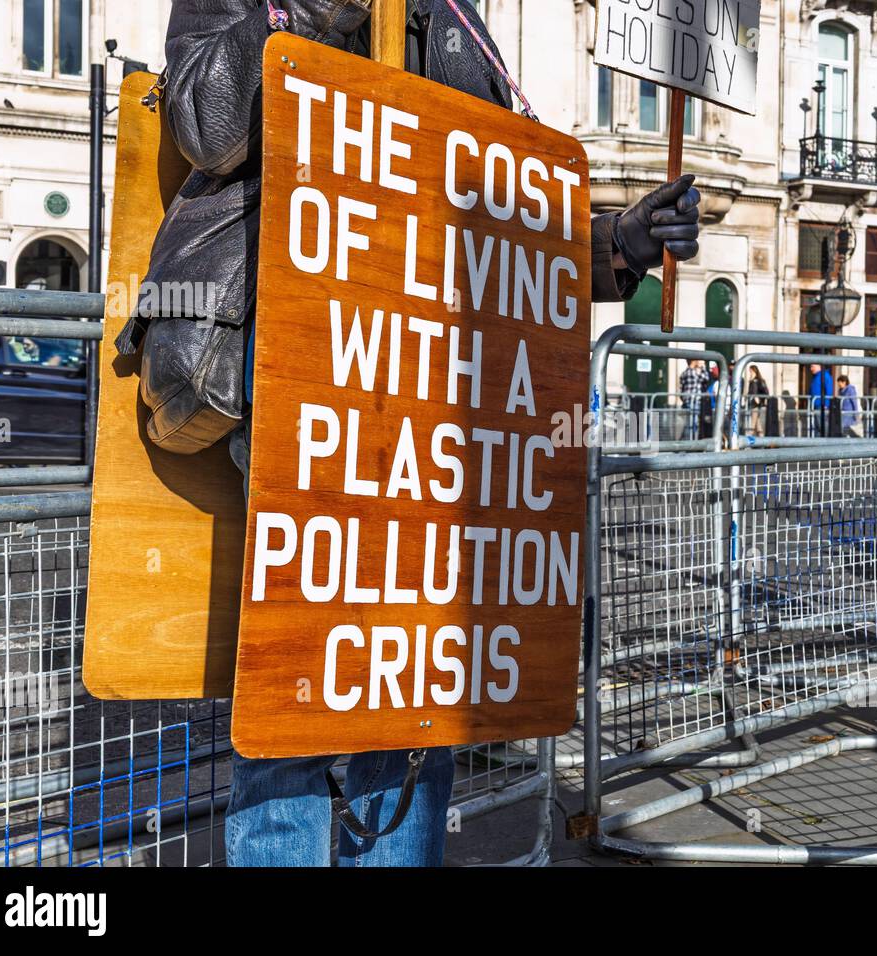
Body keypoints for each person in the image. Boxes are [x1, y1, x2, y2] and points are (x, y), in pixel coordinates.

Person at [149, 0, 703, 868]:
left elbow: (507, 221)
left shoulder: (456, 20)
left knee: (417, 701)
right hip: (308, 393)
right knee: (299, 675)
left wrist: (617, 242)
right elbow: (204, 124)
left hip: (443, 413)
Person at [678, 358, 710, 441]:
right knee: (693, 424)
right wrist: (703, 368)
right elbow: (704, 378)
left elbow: (681, 389)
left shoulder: (685, 372)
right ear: (693, 361)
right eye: (697, 360)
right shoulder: (691, 372)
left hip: (690, 401)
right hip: (693, 401)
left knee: (691, 424)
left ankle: (687, 441)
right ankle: (690, 442)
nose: (699, 362)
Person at [808, 363, 833, 437]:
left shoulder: (825, 376)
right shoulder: (816, 377)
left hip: (822, 406)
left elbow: (829, 391)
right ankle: (817, 444)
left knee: (822, 425)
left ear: (819, 366)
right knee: (817, 426)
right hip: (815, 405)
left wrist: (826, 404)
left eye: (812, 366)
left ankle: (825, 443)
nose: (811, 369)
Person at [746, 364, 769, 437]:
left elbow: (754, 391)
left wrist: (757, 398)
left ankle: (748, 441)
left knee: (752, 424)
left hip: (755, 404)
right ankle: (762, 439)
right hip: (755, 404)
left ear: (753, 371)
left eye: (750, 371)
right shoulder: (757, 380)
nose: (750, 373)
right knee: (758, 424)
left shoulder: (755, 381)